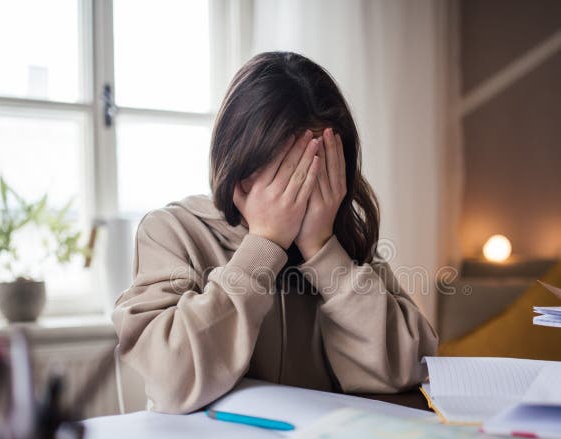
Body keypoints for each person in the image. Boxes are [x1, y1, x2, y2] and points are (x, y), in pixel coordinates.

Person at [113, 51, 439, 413]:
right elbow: (173, 380)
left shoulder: (342, 239)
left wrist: (324, 251)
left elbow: (409, 368)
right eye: (289, 172)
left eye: (321, 169)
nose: (304, 187)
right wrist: (264, 243)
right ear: (242, 167)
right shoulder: (172, 232)